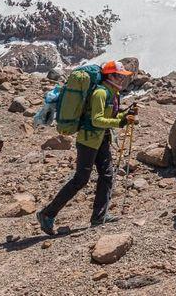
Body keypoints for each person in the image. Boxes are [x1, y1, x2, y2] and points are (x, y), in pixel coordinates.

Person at [37, 60, 137, 235]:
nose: (122, 79)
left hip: (101, 139)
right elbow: (96, 120)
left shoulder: (112, 93)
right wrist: (120, 121)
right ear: (110, 75)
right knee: (81, 179)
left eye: (123, 77)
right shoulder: (100, 93)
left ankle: (99, 216)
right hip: (88, 140)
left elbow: (109, 115)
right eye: (119, 76)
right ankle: (47, 213)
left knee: (107, 175)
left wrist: (124, 115)